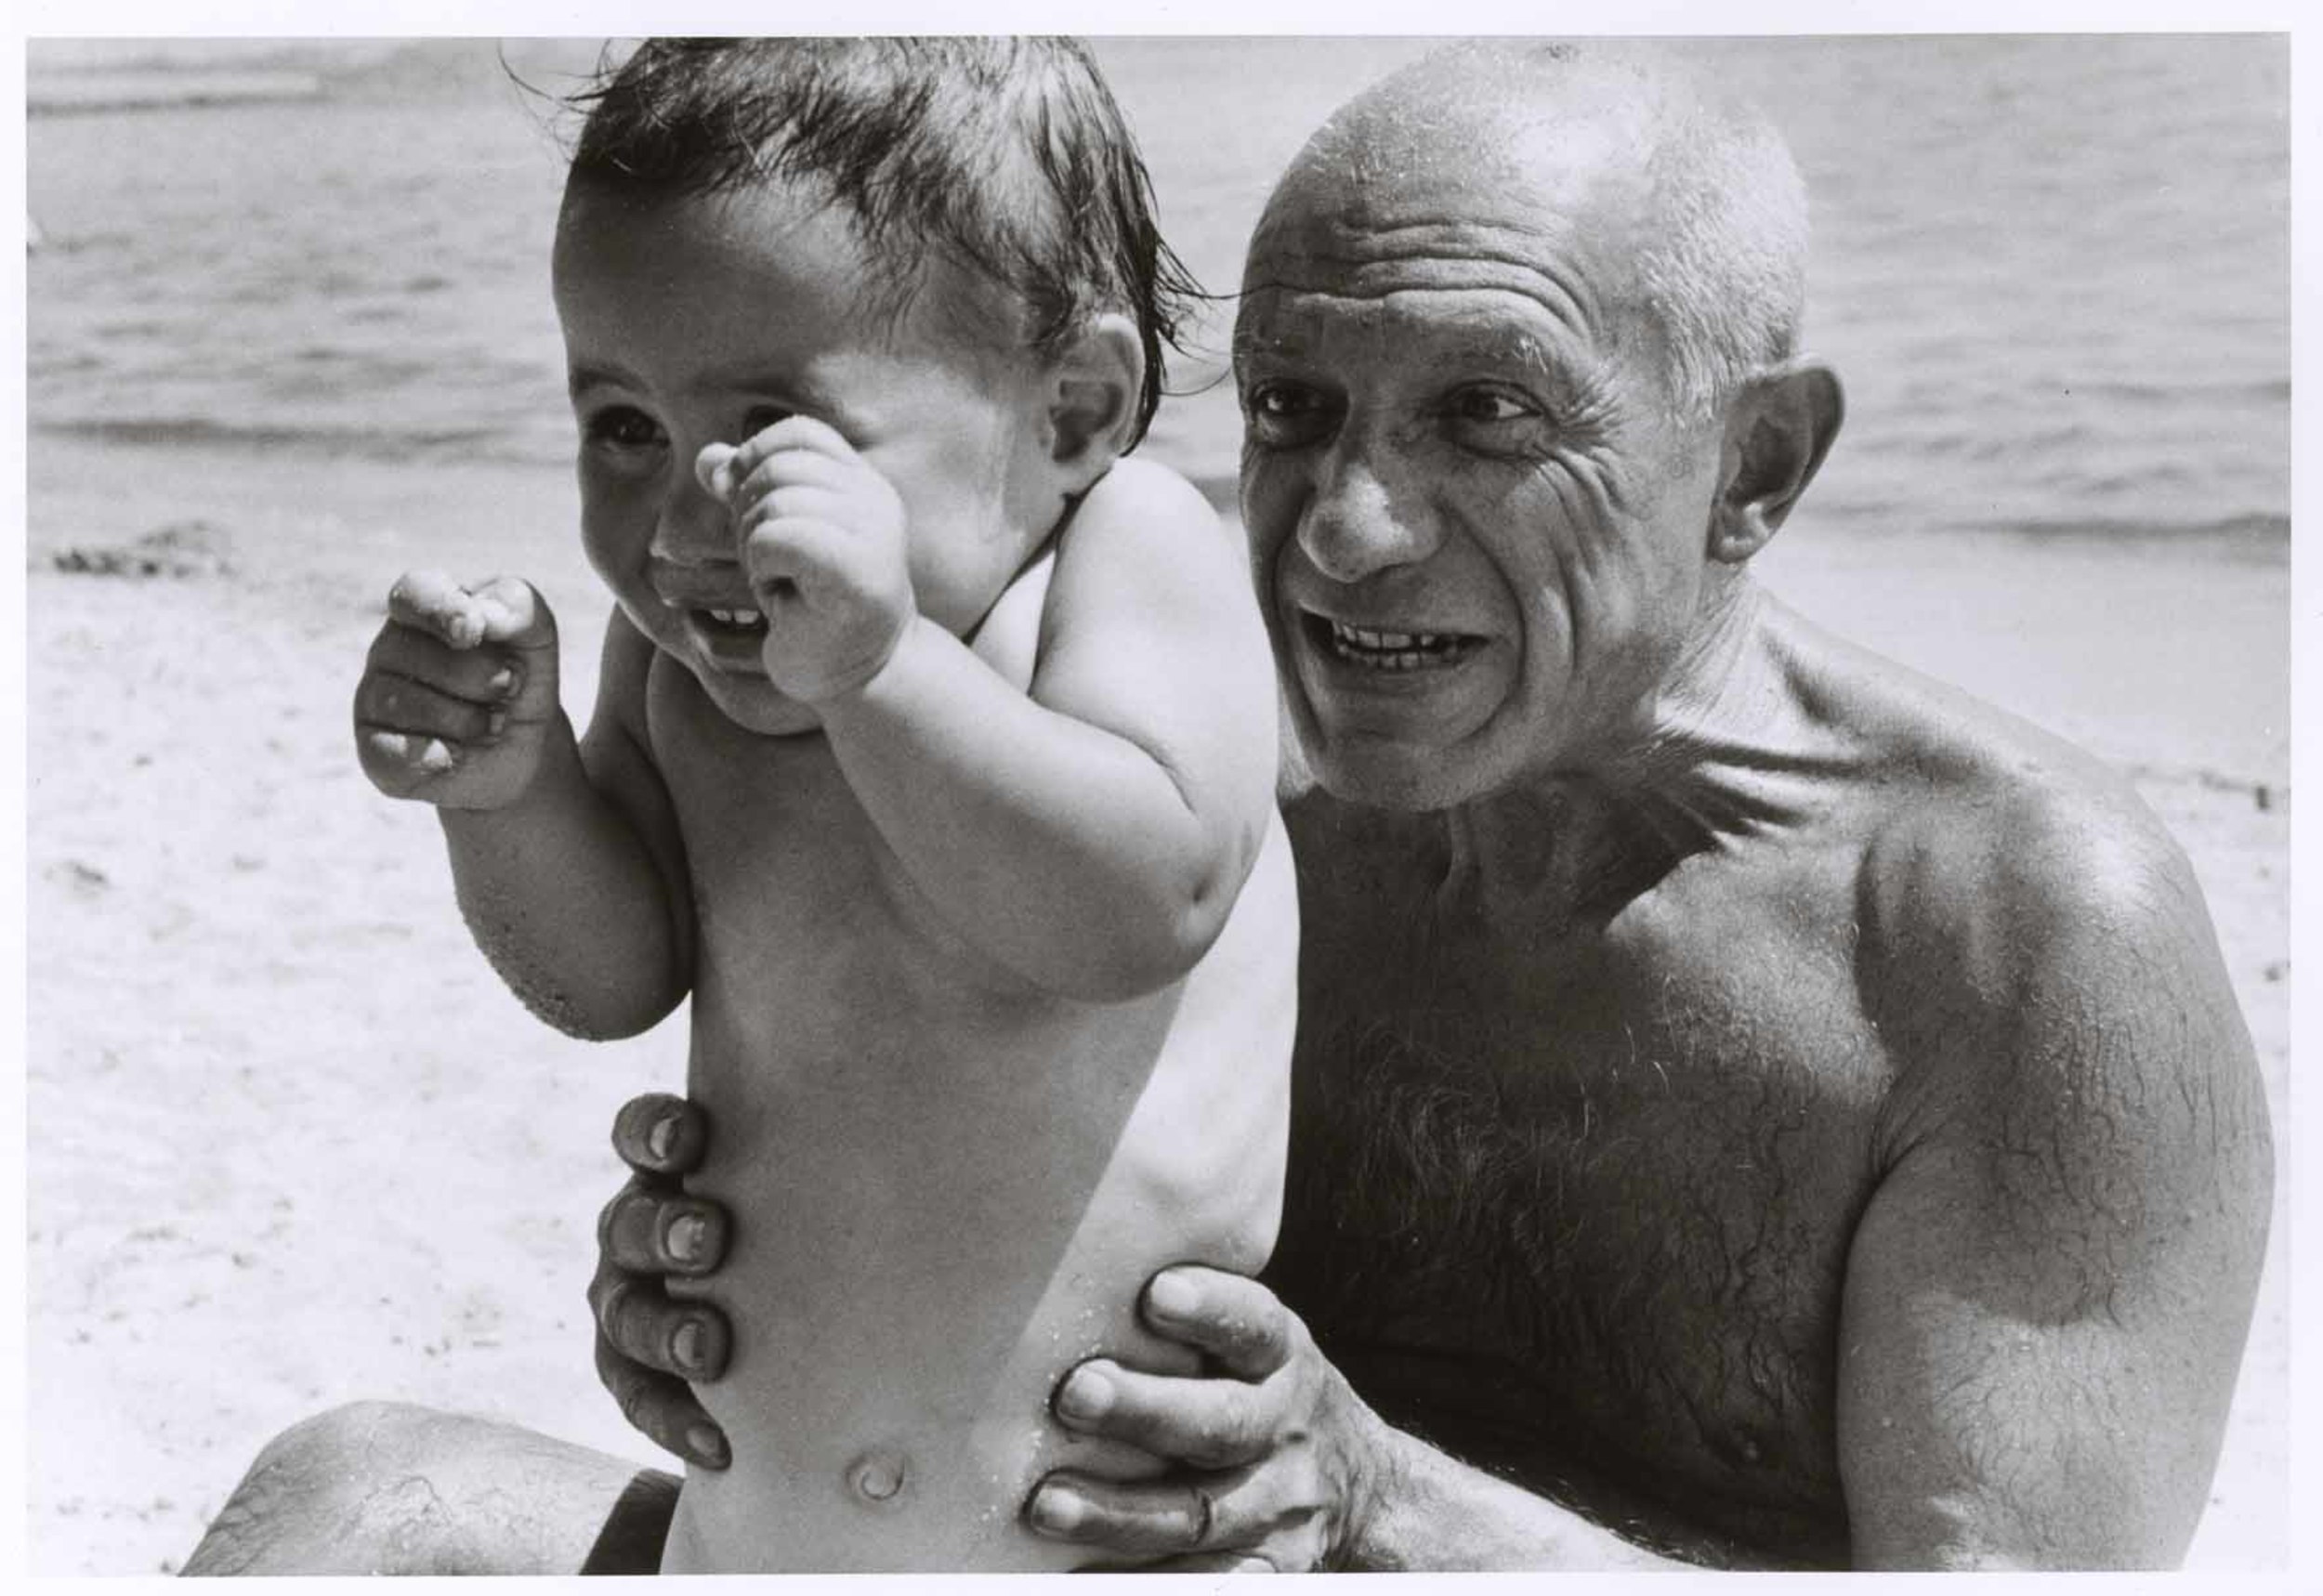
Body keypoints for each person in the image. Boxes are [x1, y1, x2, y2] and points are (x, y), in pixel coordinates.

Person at [186, 39, 2271, 1576]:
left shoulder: (2002, 938)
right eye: (1288, 410)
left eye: (1485, 414)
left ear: (1755, 469)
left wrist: (1384, 1501)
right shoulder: (1136, 738)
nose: (1344, 534)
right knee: (358, 1494)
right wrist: (754, 1287)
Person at [336, 37, 1294, 1575]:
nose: (683, 522)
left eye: (778, 439)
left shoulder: (1129, 565)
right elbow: (606, 977)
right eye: (623, 427)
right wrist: (511, 796)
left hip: (1112, 1536)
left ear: (1072, 409)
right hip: (751, 1535)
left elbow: (1144, 903)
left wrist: (883, 669)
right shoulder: (674, 665)